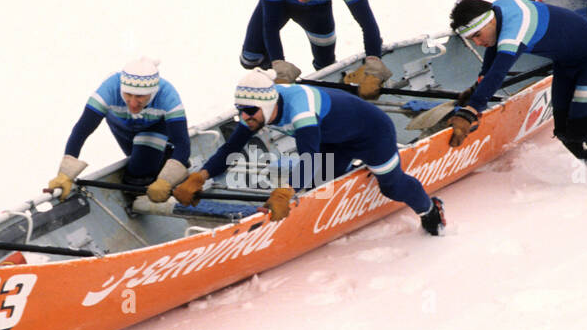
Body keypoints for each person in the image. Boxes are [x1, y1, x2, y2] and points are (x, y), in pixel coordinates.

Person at [173, 70, 446, 235]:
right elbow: (231, 147)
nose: (245, 117)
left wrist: (285, 192)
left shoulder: (300, 110)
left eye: (250, 112)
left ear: (267, 107)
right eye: (240, 111)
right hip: (333, 138)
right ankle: (351, 176)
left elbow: (309, 158)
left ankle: (429, 209)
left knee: (392, 186)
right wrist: (201, 176)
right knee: (320, 184)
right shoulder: (257, 107)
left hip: (371, 134)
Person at [447, 0, 587, 170]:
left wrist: (472, 109)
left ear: (490, 21)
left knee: (580, 128)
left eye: (477, 35)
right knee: (564, 133)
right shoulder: (499, 9)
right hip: (566, 62)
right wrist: (479, 86)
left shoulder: (516, 27)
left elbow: (499, 70)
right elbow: (493, 52)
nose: (477, 43)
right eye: (472, 39)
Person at [239, 0, 391, 97]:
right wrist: (278, 63)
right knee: (249, 58)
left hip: (316, 12)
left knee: (325, 65)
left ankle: (340, 81)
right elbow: (270, 27)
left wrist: (374, 61)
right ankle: (276, 75)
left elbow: (367, 23)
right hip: (280, 5)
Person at [46, 57, 191, 203]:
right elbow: (81, 132)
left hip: (154, 126)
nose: (133, 103)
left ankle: (166, 162)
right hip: (121, 126)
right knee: (138, 163)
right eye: (128, 94)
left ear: (153, 92)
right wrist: (65, 174)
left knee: (137, 175)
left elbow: (183, 143)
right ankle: (162, 159)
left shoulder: (168, 95)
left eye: (140, 96)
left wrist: (165, 181)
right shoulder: (109, 89)